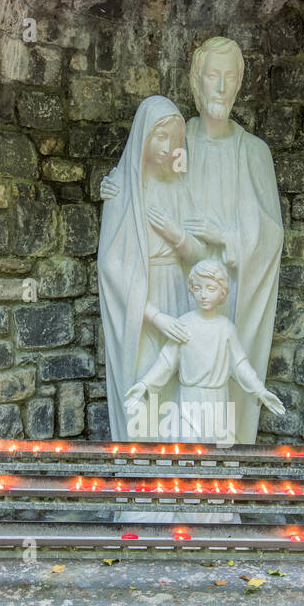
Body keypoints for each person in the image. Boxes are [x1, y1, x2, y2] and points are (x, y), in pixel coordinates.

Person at [103, 37, 283, 444]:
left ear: (240, 84)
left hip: (233, 290)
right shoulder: (179, 143)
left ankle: (212, 486)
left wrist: (230, 237)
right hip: (172, 289)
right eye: (212, 76)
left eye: (230, 77)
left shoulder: (254, 152)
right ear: (196, 81)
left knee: (219, 390)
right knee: (169, 384)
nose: (221, 86)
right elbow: (146, 176)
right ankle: (167, 480)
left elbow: (272, 237)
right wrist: (118, 185)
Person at [97, 95, 205, 442]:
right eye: (160, 136)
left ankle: (174, 476)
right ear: (143, 135)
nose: (167, 146)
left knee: (176, 387)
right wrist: (155, 316)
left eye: (174, 140)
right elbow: (112, 268)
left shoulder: (178, 188)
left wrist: (177, 236)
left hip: (177, 290)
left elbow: (199, 255)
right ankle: (144, 478)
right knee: (145, 387)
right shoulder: (121, 189)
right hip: (142, 305)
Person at [125, 259, 284, 446]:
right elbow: (166, 363)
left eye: (211, 288)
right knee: (188, 451)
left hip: (217, 403)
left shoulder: (225, 328)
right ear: (191, 289)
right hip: (188, 402)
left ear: (222, 292)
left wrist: (260, 391)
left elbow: (240, 365)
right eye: (198, 288)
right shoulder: (184, 325)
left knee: (217, 455)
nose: (203, 295)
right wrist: (144, 385)